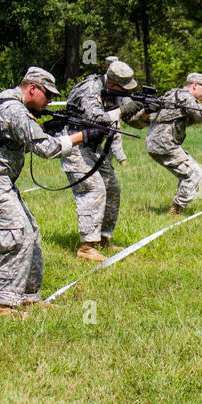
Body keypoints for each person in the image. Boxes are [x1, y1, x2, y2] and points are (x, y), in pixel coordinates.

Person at [0, 67, 101, 317]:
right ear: (32, 88)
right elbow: (45, 148)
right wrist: (81, 136)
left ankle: (28, 297)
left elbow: (19, 138)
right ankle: (5, 306)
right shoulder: (13, 108)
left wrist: (48, 127)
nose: (48, 101)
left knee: (32, 232)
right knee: (16, 235)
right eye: (47, 95)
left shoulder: (14, 105)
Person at [62, 57, 140, 261]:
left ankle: (103, 239)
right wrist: (123, 110)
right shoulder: (90, 89)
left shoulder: (114, 91)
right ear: (113, 84)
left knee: (112, 188)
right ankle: (86, 247)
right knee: (94, 188)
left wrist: (145, 110)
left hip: (94, 147)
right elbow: (95, 119)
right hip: (76, 144)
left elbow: (134, 122)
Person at [146, 72, 202, 216]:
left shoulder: (174, 94)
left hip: (157, 142)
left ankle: (177, 206)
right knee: (194, 173)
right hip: (164, 144)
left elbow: (185, 117)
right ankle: (175, 211)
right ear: (195, 85)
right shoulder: (186, 97)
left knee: (187, 174)